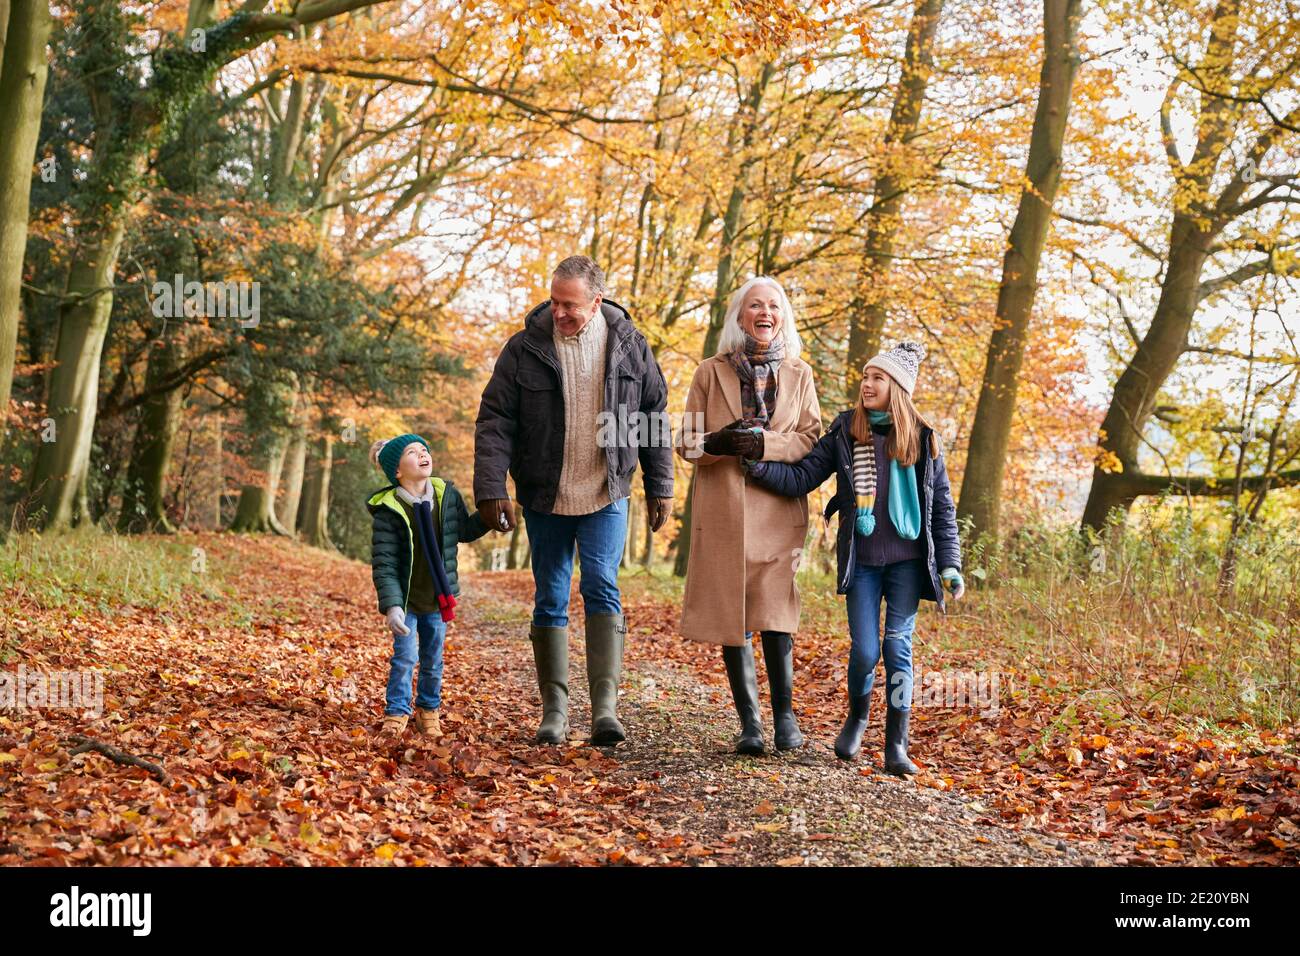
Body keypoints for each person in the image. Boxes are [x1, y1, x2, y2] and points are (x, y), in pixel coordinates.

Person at [473, 255, 674, 746]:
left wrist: (660, 484)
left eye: (570, 305)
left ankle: (605, 710)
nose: (558, 312)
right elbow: (495, 420)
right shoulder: (524, 348)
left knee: (602, 585)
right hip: (546, 494)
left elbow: (653, 414)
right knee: (551, 595)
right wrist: (491, 488)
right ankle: (555, 712)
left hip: (606, 489)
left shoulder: (630, 346)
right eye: (554, 302)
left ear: (597, 301)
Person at [745, 342, 965, 773]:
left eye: (877, 378)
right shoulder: (846, 431)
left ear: (897, 388)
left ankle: (896, 744)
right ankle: (858, 717)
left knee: (897, 649)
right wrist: (758, 464)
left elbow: (942, 509)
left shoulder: (924, 440)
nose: (867, 384)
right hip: (862, 563)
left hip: (907, 565)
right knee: (865, 651)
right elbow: (804, 476)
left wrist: (950, 565)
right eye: (866, 376)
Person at [674, 276, 822, 754]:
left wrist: (763, 444)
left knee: (776, 612)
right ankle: (750, 725)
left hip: (779, 507)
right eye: (755, 306)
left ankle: (785, 718)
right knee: (732, 611)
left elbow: (810, 439)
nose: (765, 313)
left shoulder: (800, 373)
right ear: (740, 316)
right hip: (724, 511)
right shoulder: (708, 372)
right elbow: (685, 443)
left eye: (773, 306)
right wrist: (718, 443)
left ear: (783, 317)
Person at [366, 434, 489, 742]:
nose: (422, 454)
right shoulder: (389, 509)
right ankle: (396, 713)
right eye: (412, 452)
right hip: (406, 599)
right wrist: (393, 606)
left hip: (437, 597)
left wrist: (490, 516)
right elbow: (385, 563)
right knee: (405, 658)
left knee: (433, 659)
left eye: (424, 449)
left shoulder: (446, 494)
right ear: (397, 471)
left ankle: (428, 710)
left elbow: (463, 530)